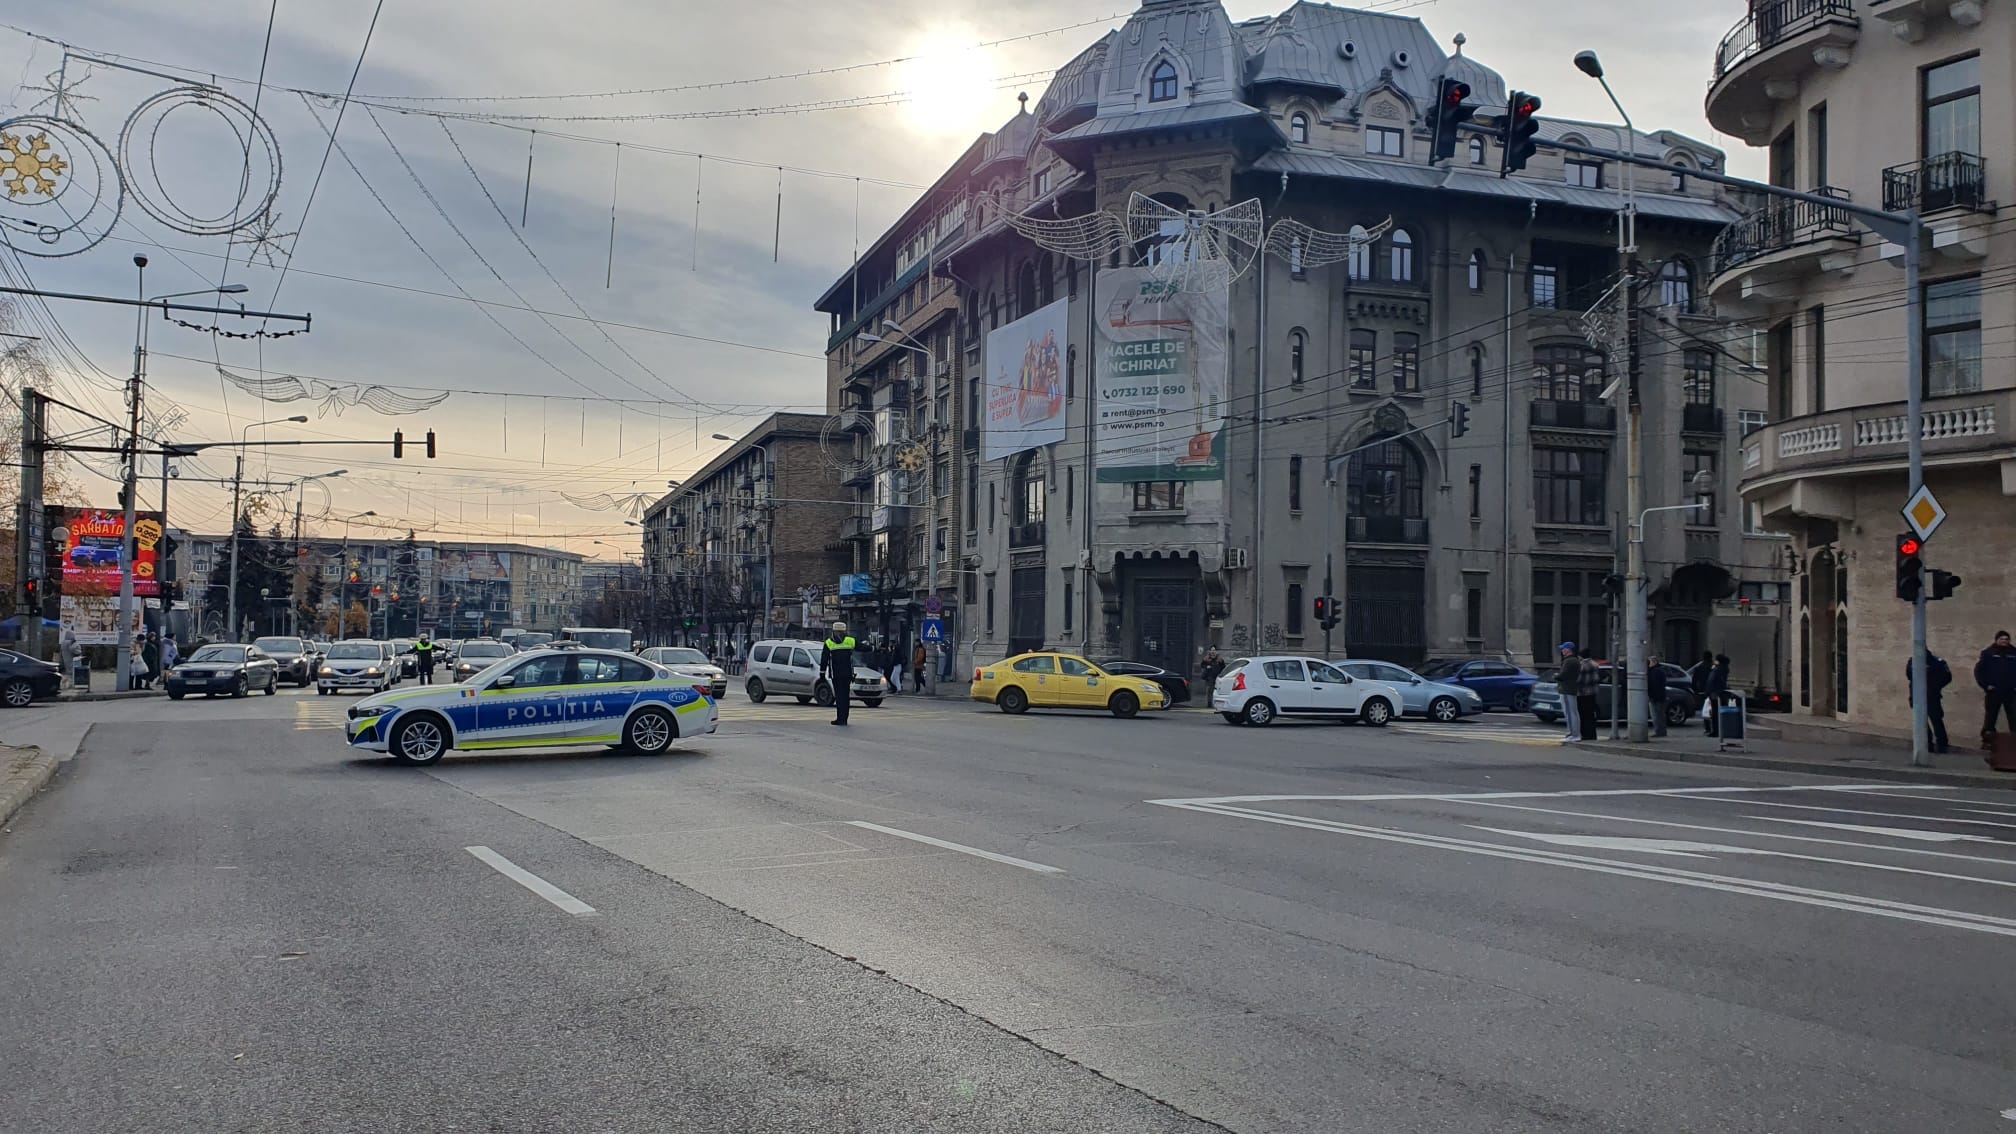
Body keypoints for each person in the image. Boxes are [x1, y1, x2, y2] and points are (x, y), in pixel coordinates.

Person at [1974, 630, 2016, 747]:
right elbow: (1979, 671)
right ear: (1997, 640)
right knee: (1991, 717)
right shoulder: (1988, 653)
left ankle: (2013, 740)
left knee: (2014, 716)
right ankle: (1987, 741)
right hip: (1994, 692)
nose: (2004, 641)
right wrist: (1986, 685)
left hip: (2011, 692)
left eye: (2006, 639)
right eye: (2002, 639)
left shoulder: (2014, 653)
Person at [1907, 651, 1953, 754]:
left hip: (1932, 697)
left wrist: (1935, 687)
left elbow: (1947, 677)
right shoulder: (1912, 661)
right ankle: (1927, 744)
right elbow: (1909, 676)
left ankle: (1942, 745)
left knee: (1936, 720)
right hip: (1917, 696)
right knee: (1921, 722)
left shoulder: (1937, 662)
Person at [821, 621, 858, 726]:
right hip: (847, 674)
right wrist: (873, 648)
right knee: (845, 697)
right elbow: (861, 647)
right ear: (845, 631)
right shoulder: (850, 641)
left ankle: (840, 718)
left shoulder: (829, 642)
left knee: (839, 697)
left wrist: (822, 673)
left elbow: (824, 659)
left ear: (833, 631)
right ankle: (844, 719)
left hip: (836, 674)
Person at [1555, 643, 1582, 742]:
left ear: (1568, 650)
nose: (1562, 651)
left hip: (1567, 689)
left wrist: (1555, 676)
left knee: (1570, 713)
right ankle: (1573, 733)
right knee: (1572, 712)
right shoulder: (1574, 660)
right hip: (1570, 689)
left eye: (1563, 649)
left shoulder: (1569, 661)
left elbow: (1562, 675)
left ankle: (1573, 734)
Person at [1576, 644, 1602, 741]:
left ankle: (1585, 734)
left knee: (1583, 715)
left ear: (1581, 656)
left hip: (1583, 693)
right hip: (1593, 692)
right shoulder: (1595, 664)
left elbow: (1579, 680)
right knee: (1591, 715)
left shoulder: (1583, 666)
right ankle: (1592, 734)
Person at [1704, 654, 1732, 736]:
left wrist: (1708, 691)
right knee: (1716, 713)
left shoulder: (1718, 670)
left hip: (1716, 693)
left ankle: (1716, 731)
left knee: (1716, 713)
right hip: (1718, 693)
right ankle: (1718, 730)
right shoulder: (1722, 669)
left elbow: (1712, 681)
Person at [1647, 654, 1668, 738]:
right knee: (1660, 715)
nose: (1649, 664)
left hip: (1656, 697)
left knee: (1656, 715)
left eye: (1650, 662)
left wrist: (1652, 696)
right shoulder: (1659, 670)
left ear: (1654, 662)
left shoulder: (1654, 672)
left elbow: (1654, 685)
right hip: (1660, 696)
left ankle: (1659, 731)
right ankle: (1661, 731)